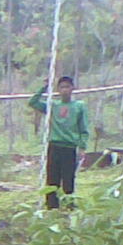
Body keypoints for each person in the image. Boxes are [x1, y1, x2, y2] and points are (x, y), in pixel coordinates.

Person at [30, 74, 91, 208]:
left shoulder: (79, 106)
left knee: (68, 178)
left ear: (72, 88)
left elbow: (83, 127)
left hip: (69, 147)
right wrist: (45, 87)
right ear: (58, 89)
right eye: (62, 87)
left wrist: (82, 146)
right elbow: (33, 102)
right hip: (54, 146)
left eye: (67, 87)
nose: (64, 90)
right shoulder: (53, 105)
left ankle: (69, 205)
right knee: (52, 179)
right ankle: (52, 207)